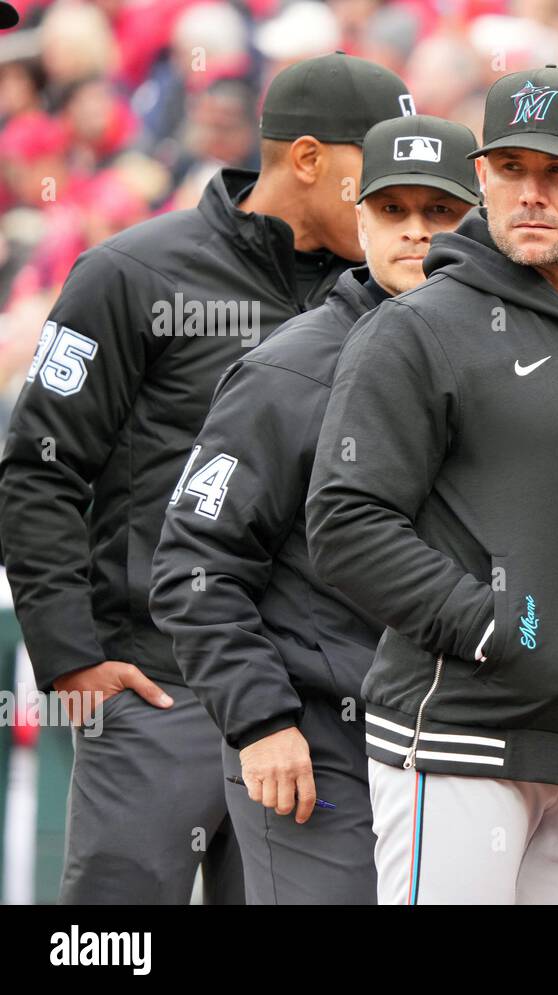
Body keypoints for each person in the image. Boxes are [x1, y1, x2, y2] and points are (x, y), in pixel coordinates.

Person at [0, 52, 414, 904]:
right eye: (373, 174)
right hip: (163, 686)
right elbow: (39, 467)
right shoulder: (132, 272)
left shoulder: (392, 301)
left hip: (319, 705)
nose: (399, 208)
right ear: (306, 160)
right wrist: (73, 657)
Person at [305, 65, 558, 905]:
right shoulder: (415, 329)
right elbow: (345, 522)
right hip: (458, 736)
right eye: (511, 169)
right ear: (482, 176)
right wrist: (492, 627)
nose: (532, 193)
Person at [149, 115, 479, 905]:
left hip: (461, 737)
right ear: (359, 217)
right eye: (393, 210)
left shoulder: (510, 359)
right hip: (318, 738)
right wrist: (260, 721)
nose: (416, 234)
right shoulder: (288, 369)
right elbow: (194, 565)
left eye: (441, 213)